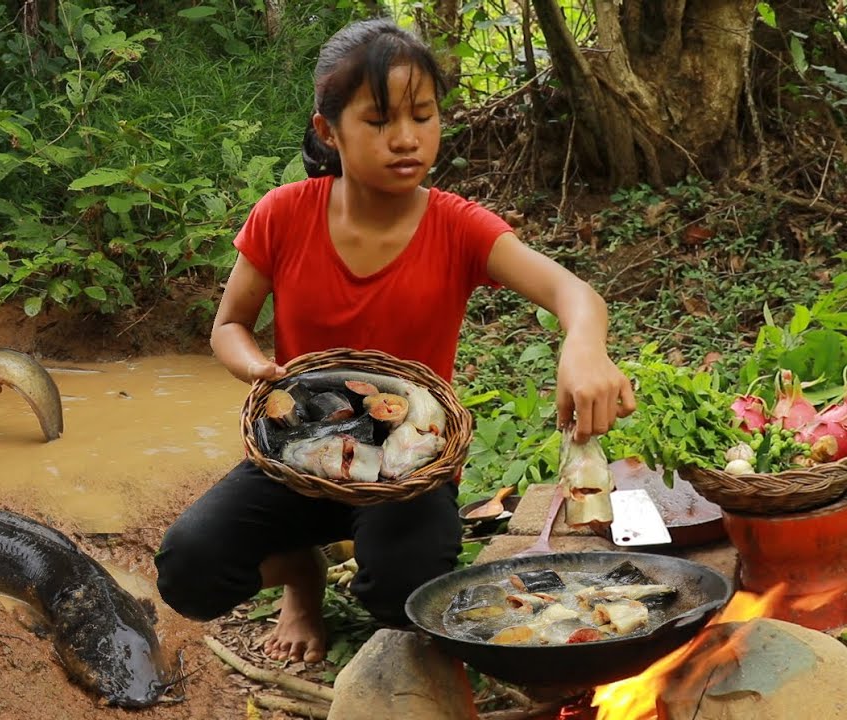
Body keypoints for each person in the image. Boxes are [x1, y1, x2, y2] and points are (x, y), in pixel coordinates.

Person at [154, 18, 636, 664]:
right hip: (299, 454)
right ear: (329, 131)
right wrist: (257, 368)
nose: (407, 139)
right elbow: (228, 325)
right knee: (188, 567)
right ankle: (304, 575)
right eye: (379, 121)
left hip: (409, 470)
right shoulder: (283, 215)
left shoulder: (457, 227)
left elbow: (576, 296)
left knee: (409, 591)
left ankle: (367, 566)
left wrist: (583, 348)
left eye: (423, 115)